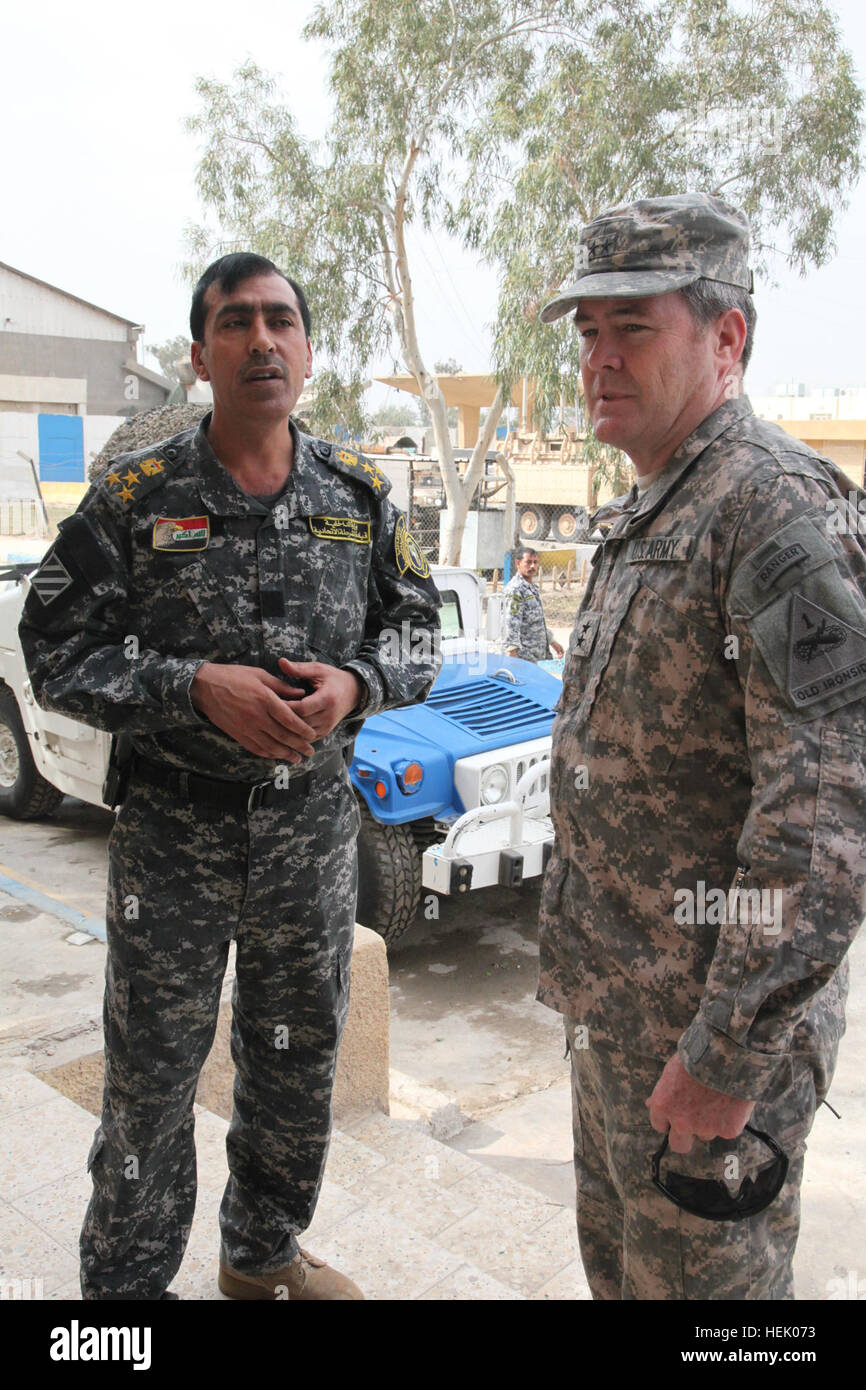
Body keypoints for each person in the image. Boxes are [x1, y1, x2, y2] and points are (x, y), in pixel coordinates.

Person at [19, 252, 441, 1301]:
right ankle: (121, 1300)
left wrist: (354, 683)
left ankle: (261, 1256)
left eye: (281, 321)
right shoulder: (135, 496)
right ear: (201, 354)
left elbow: (422, 631)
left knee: (296, 1068)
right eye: (236, 322)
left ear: (305, 346)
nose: (262, 340)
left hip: (308, 841)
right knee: (149, 1089)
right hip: (174, 841)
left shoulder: (357, 494)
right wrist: (190, 686)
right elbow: (53, 646)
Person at [537, 193, 866, 1299]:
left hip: (704, 1045)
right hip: (622, 1024)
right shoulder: (661, 503)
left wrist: (724, 1056)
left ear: (725, 337)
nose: (598, 359)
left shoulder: (771, 510)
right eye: (587, 333)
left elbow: (821, 821)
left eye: (632, 327)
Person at [503, 546, 565, 661]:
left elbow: (536, 622)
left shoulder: (531, 588)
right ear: (518, 563)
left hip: (536, 655)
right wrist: (512, 651)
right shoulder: (516, 589)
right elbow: (511, 621)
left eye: (535, 562)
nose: (532, 566)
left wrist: (551, 641)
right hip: (524, 657)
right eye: (528, 562)